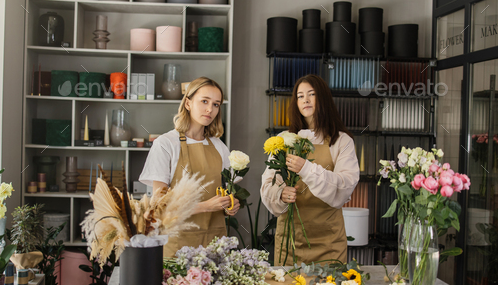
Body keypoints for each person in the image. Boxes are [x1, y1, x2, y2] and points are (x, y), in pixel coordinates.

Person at [260, 74, 359, 265]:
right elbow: (267, 185)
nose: (305, 100)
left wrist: (306, 169)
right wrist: (281, 194)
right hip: (290, 241)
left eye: (311, 94)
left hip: (328, 242)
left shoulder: (342, 141)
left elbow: (345, 186)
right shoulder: (283, 140)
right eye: (300, 96)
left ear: (323, 98)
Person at [139, 77, 240, 257]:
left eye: (216, 104)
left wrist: (229, 205)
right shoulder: (165, 144)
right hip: (177, 243)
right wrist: (205, 206)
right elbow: (159, 205)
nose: (210, 109)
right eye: (204, 101)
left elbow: (226, 191)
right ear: (188, 103)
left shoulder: (219, 147)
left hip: (214, 243)